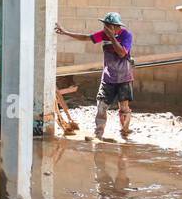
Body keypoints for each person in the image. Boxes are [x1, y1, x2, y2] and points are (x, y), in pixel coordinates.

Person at [56, 11, 134, 141]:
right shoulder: (104, 35)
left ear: (115, 26)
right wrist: (65, 32)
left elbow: (121, 53)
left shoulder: (126, 36)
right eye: (105, 25)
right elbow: (87, 37)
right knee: (101, 105)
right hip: (108, 77)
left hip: (124, 77)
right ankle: (98, 134)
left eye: (107, 25)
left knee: (124, 107)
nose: (105, 28)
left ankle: (124, 131)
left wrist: (112, 37)